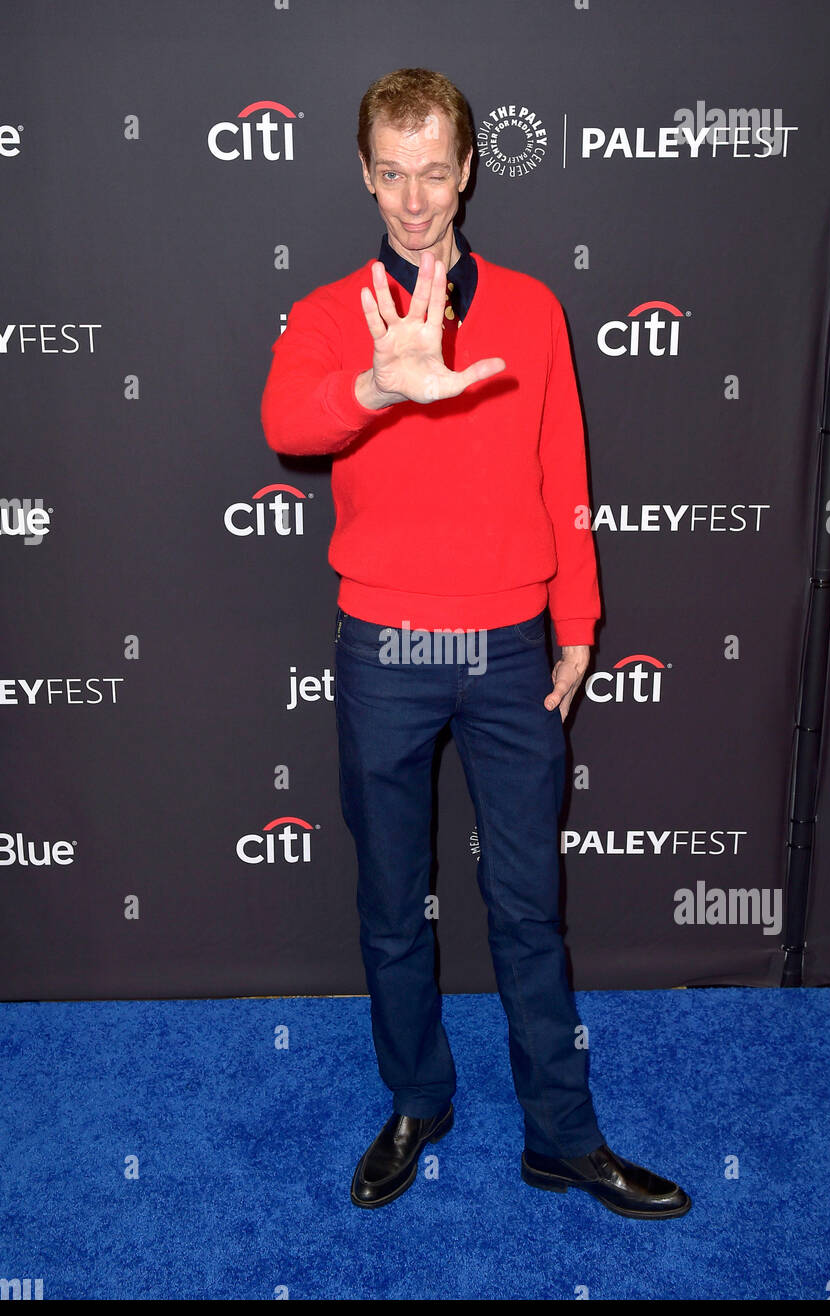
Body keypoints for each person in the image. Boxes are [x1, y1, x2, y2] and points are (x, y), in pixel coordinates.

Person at [261, 67, 690, 1220]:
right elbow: (287, 421)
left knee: (523, 901)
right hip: (383, 649)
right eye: (390, 173)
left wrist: (576, 626)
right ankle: (417, 1100)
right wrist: (378, 380)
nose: (412, 199)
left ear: (467, 170)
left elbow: (565, 481)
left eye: (433, 171)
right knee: (392, 900)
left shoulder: (537, 310)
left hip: (509, 649)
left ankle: (560, 1132)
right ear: (363, 172)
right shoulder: (322, 317)